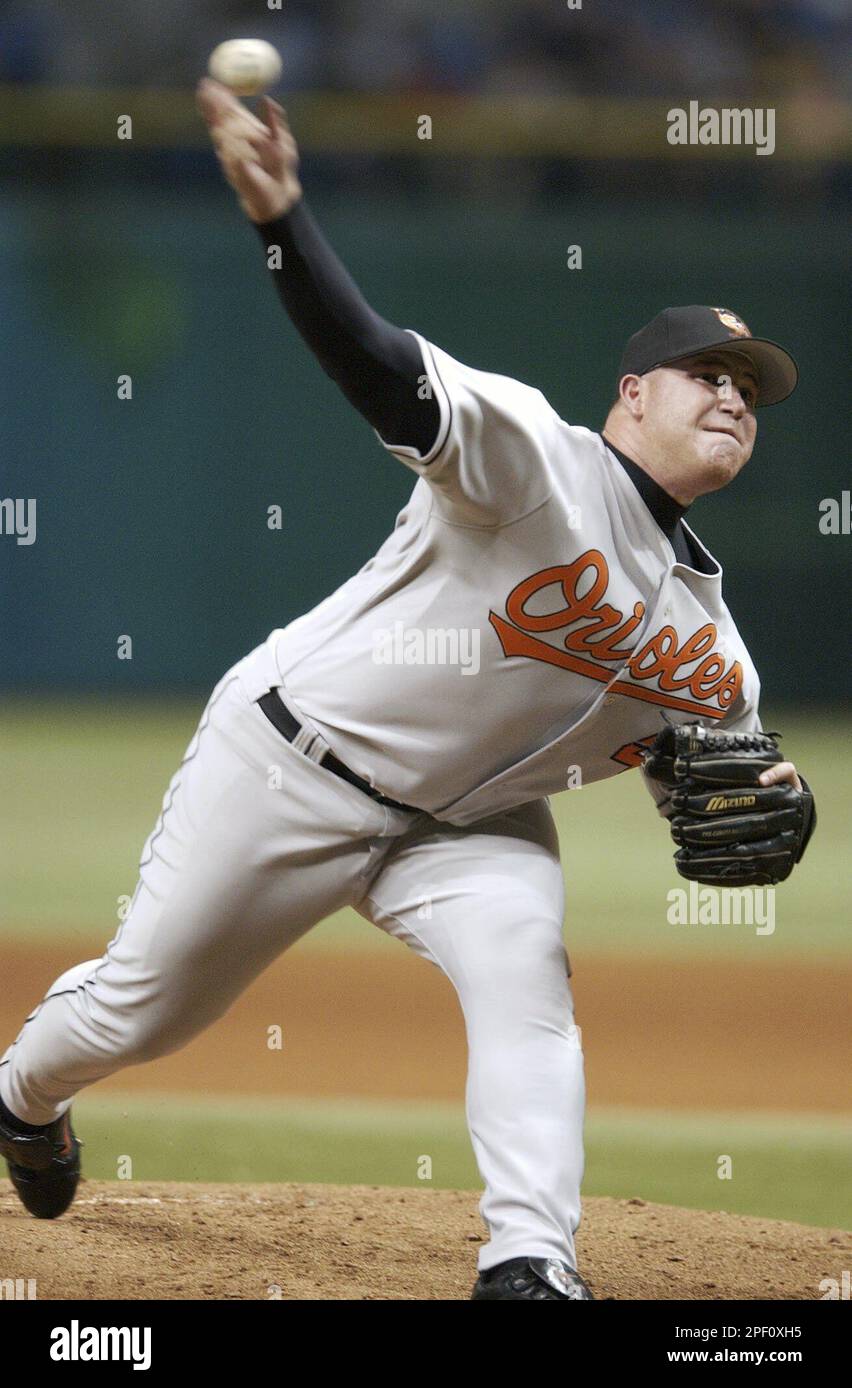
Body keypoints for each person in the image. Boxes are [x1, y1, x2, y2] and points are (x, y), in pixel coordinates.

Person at [0, 79, 812, 1302]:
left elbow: (722, 782)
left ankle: (529, 1262)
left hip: (466, 828)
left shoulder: (720, 654)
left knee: (526, 969)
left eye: (749, 385)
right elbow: (379, 366)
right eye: (706, 371)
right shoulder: (534, 454)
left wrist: (779, 808)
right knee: (138, 1011)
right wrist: (282, 221)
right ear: (632, 395)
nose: (734, 394)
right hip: (293, 761)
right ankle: (20, 1099)